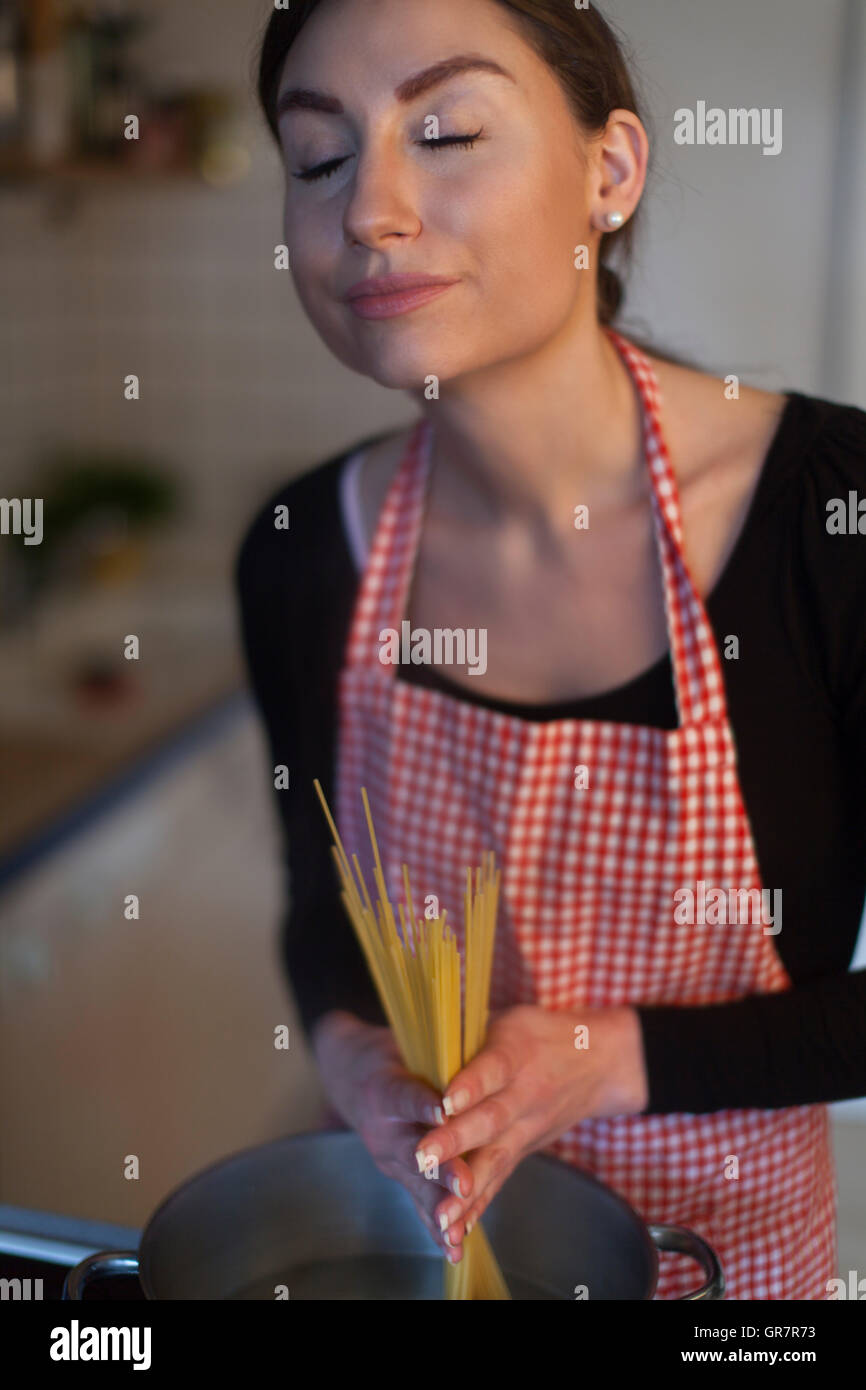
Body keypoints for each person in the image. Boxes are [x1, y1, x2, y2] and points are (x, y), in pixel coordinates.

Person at [236, 0, 866, 1298]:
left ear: (609, 171)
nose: (368, 211)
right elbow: (318, 907)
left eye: (447, 129)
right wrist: (355, 1053)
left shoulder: (828, 515)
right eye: (317, 157)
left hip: (728, 1273)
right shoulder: (302, 552)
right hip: (412, 1254)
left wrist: (607, 1055)